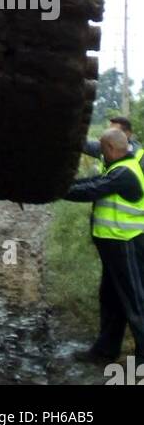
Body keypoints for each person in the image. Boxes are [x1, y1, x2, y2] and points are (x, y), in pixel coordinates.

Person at [64, 127, 144, 368]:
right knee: (111, 299)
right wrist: (64, 185)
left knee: (135, 301)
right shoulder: (116, 167)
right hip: (113, 245)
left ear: (110, 148)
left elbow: (91, 190)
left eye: (101, 148)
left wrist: (56, 190)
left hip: (126, 243)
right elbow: (93, 181)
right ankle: (105, 351)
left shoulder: (125, 173)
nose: (99, 152)